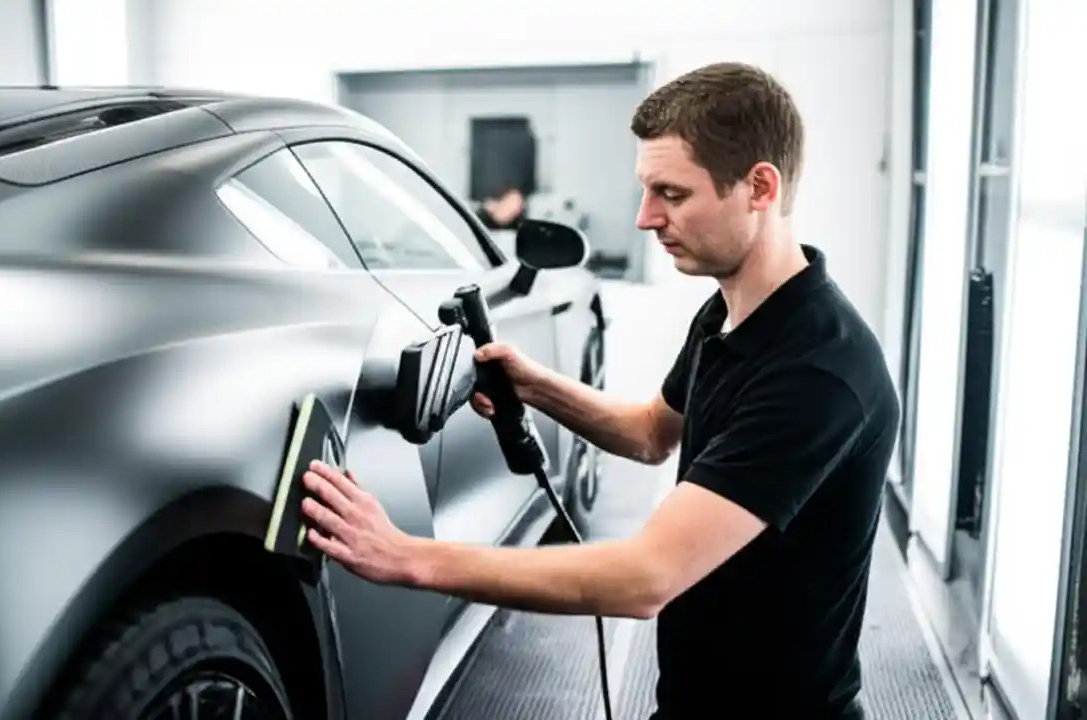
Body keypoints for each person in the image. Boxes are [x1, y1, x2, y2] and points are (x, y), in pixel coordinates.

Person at [298, 61, 900, 720]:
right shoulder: (731, 312)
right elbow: (650, 432)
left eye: (672, 194)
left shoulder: (817, 372)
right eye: (647, 191)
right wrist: (538, 386)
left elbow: (647, 577)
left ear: (759, 186)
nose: (645, 218)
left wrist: (410, 558)